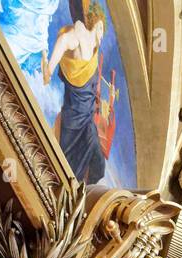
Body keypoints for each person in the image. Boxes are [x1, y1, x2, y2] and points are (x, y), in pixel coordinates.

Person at [42, 0, 108, 184]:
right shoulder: (74, 37)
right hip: (76, 116)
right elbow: (62, 44)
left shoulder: (90, 45)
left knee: (98, 164)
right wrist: (48, 66)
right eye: (102, 30)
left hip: (86, 117)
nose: (102, 37)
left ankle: (83, 195)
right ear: (97, 23)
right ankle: (69, 193)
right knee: (72, 163)